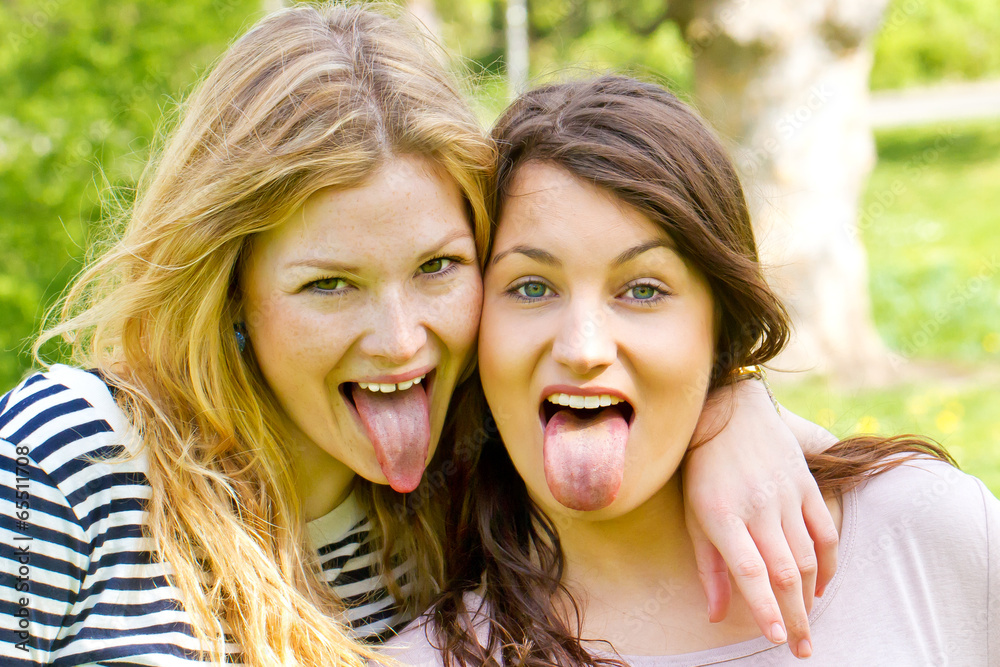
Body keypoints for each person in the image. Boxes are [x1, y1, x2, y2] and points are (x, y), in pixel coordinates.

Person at [2, 5, 836, 665]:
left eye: (438, 267)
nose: (401, 341)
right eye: (331, 284)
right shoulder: (72, 455)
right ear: (231, 294)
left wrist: (733, 404)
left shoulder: (468, 480)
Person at [381, 75, 1000, 666]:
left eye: (644, 290)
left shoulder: (929, 534)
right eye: (533, 287)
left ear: (720, 327)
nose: (583, 348)